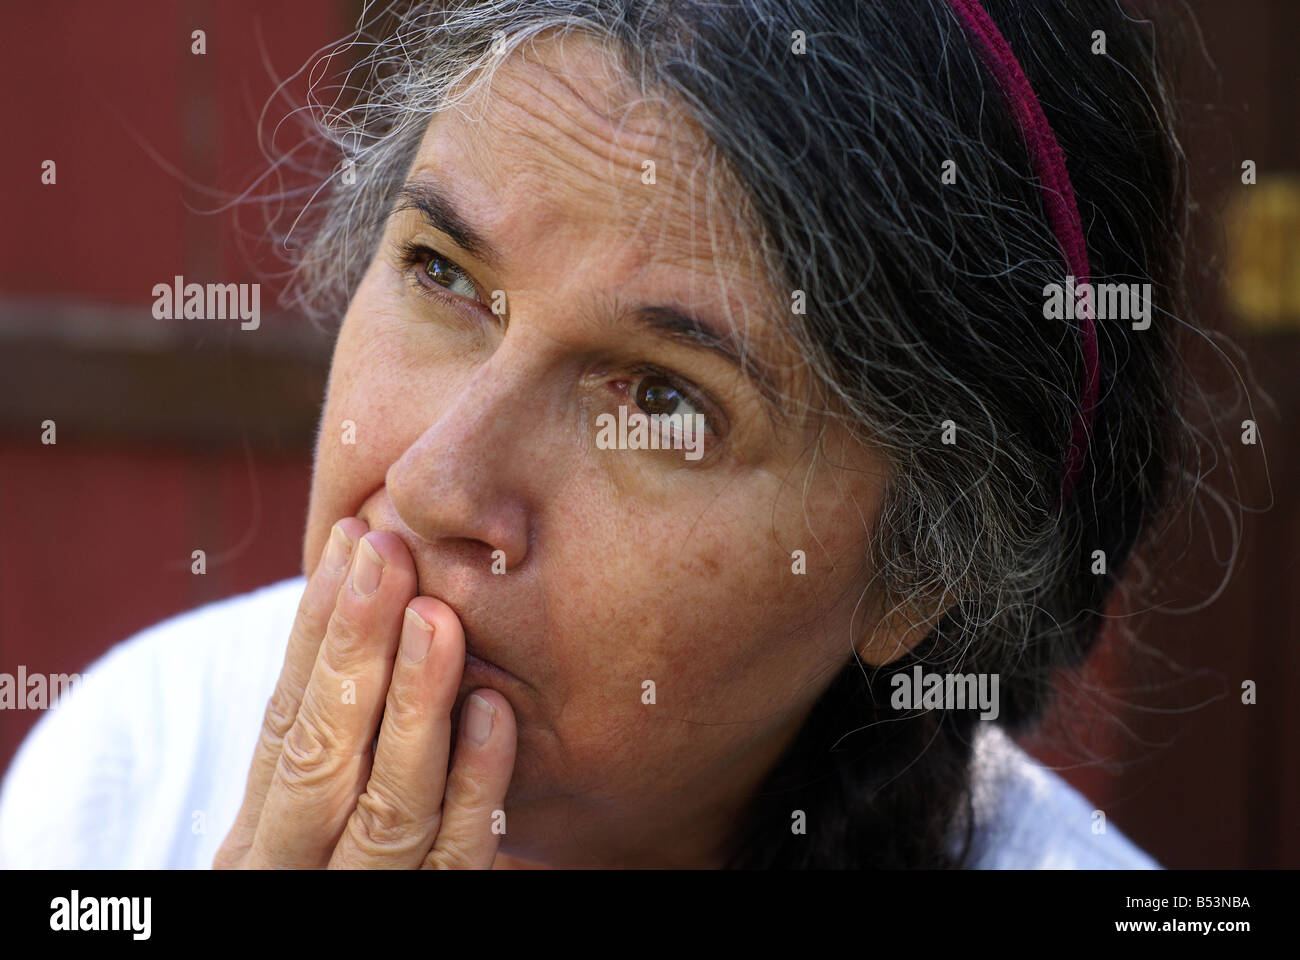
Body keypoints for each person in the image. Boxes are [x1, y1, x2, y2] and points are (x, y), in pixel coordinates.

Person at [1, 0, 1191, 869]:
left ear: (924, 572)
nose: (431, 482)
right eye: (443, 275)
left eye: (665, 400)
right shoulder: (140, 767)